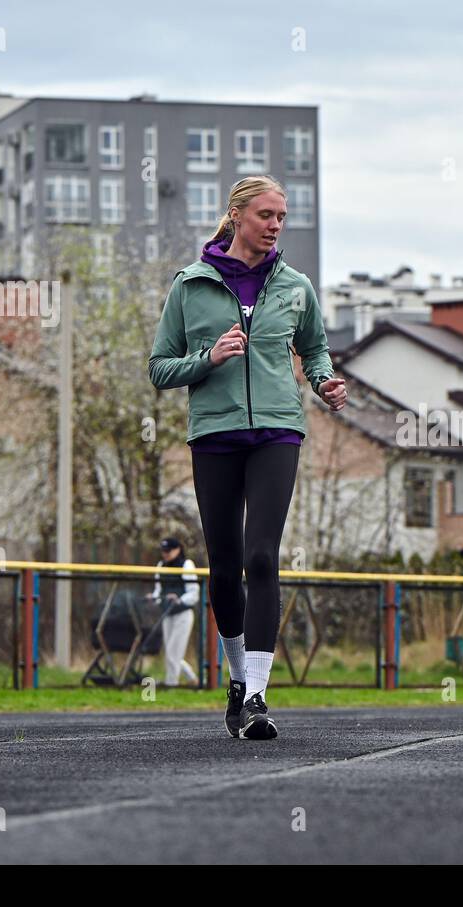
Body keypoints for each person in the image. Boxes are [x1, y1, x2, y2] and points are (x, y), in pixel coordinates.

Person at [148, 174, 347, 739]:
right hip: (214, 433)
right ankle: (237, 678)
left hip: (278, 431)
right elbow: (160, 367)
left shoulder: (296, 287)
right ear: (236, 216)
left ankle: (258, 695)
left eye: (282, 217)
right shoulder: (190, 287)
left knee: (262, 557)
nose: (276, 225)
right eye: (266, 215)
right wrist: (207, 358)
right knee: (224, 565)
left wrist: (325, 384)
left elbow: (314, 351)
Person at [148, 537, 200, 686]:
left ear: (178, 549)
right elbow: (159, 590)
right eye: (163, 551)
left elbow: (193, 592)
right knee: (171, 652)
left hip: (183, 614)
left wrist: (179, 599)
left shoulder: (186, 564)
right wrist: (155, 598)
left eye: (168, 551)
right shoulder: (161, 565)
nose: (165, 554)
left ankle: (171, 684)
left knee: (173, 652)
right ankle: (192, 678)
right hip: (167, 613)